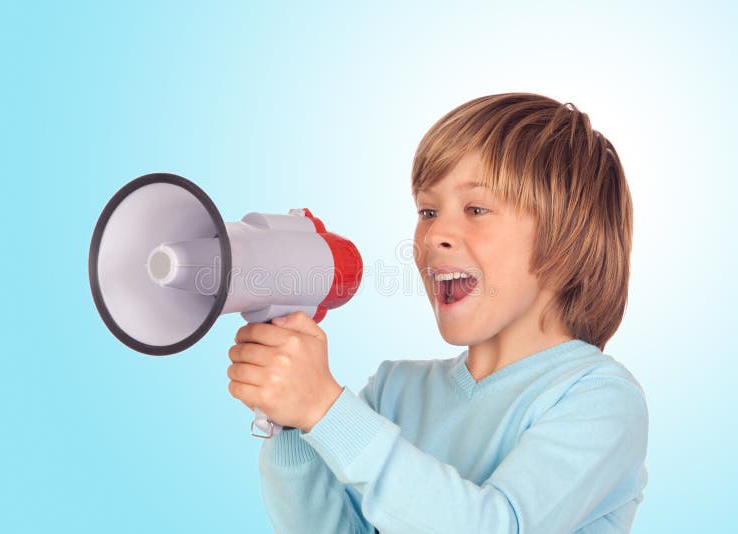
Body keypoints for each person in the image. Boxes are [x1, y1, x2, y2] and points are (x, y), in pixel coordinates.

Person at [227, 92, 648, 533]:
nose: (435, 234)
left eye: (476, 209)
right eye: (428, 211)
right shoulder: (396, 390)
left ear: (566, 242)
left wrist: (324, 410)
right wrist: (291, 422)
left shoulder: (598, 397)